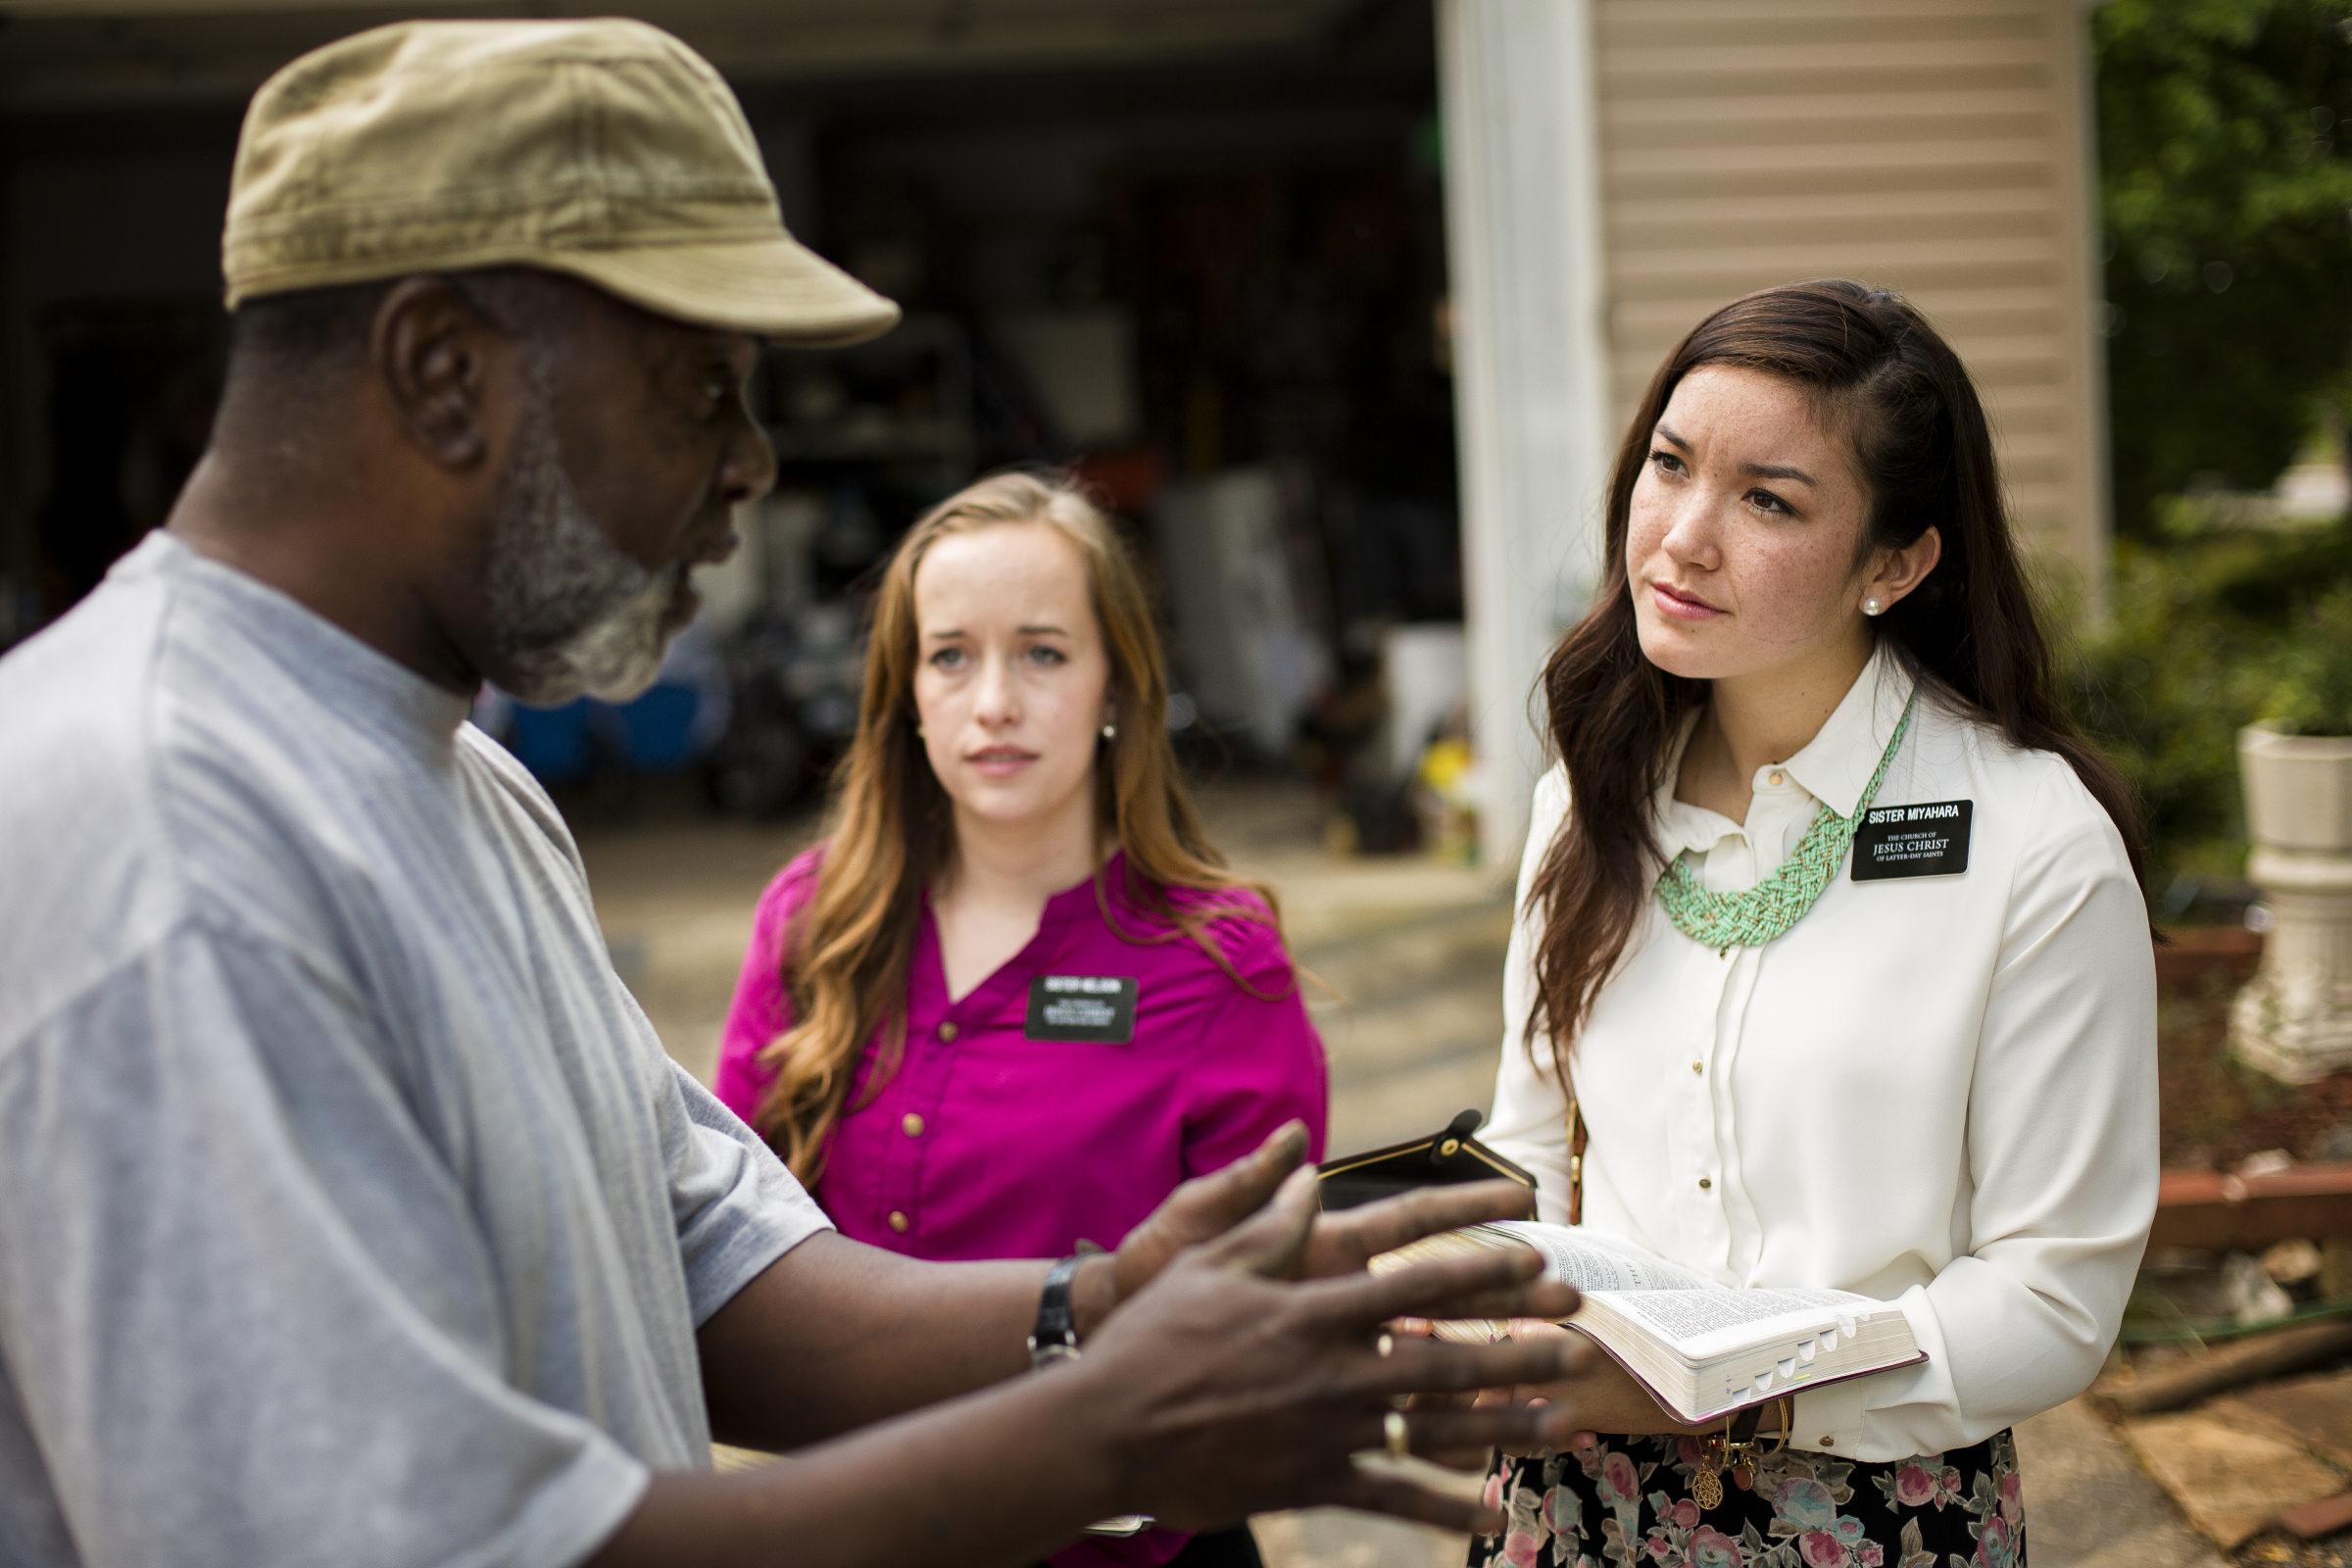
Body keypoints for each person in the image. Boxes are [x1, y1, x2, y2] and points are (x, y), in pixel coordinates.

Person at [0, 21, 1597, 1568]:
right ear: (442, 372)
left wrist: (1091, 1315)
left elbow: (701, 1256)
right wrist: (1104, 1436)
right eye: (703, 387)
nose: (757, 463)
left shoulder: (467, 785)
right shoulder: (162, 840)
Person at [1461, 281, 2158, 1568]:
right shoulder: (1588, 797)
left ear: (1896, 562)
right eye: (1669, 467)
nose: (1680, 538)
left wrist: (1741, 1394)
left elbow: (2055, 1297)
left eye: (1768, 500)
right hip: (1563, 1511)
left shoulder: (2031, 843)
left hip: (1862, 1516)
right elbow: (1526, 1155)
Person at [710, 471, 1327, 1568]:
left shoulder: (1216, 958)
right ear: (904, 691)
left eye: (1041, 651)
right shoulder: (810, 923)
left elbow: (1256, 1311)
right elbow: (728, 1252)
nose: (994, 699)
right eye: (951, 655)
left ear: (1115, 686)